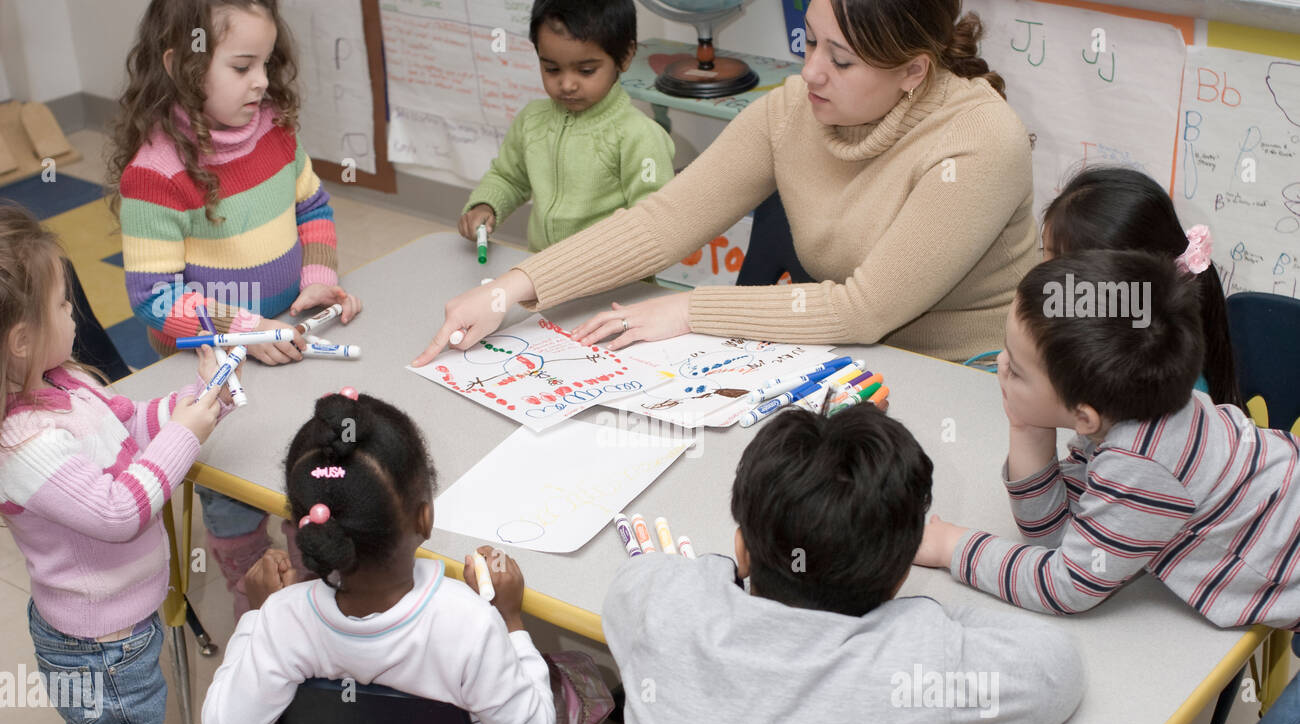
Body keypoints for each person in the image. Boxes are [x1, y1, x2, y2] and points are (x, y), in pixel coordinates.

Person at [414, 0, 1038, 368]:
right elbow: (665, 220)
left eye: (840, 60)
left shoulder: (980, 141)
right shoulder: (795, 108)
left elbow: (862, 308)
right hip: (840, 355)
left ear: (913, 72)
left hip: (966, 373)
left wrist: (688, 310)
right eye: (811, 42)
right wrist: (511, 289)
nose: (810, 71)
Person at [599, 402, 1083, 724]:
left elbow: (634, 584)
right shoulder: (916, 660)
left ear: (743, 549)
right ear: (899, 575)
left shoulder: (668, 608)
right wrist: (917, 622)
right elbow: (1054, 668)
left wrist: (718, 575)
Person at [201, 392, 611, 724]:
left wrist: (255, 617)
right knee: (585, 679)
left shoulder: (282, 619)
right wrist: (511, 620)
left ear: (303, 526)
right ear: (425, 517)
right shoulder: (469, 620)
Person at [106, 0, 364, 617]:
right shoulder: (156, 174)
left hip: (290, 344)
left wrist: (319, 275)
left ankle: (311, 585)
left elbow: (313, 207)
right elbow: (153, 299)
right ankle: (260, 605)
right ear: (182, 65)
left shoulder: (274, 128)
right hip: (212, 372)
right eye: (243, 65)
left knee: (308, 466)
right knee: (236, 495)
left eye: (268, 63)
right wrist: (249, 329)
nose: (263, 82)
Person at [0, 203, 232, 724]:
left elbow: (130, 425)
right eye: (64, 305)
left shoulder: (63, 383)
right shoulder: (23, 444)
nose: (78, 315)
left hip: (114, 636)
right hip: (98, 652)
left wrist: (195, 403)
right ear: (20, 339)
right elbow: (119, 509)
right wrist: (189, 436)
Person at [914, 250, 1300, 631]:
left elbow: (1067, 585)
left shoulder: (1143, 464)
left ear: (1083, 416)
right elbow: (1054, 535)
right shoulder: (1138, 407)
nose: (1000, 364)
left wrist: (954, 548)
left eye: (1015, 368)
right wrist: (1026, 426)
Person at [458, 0, 674, 253]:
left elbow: (653, 219)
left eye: (586, 70)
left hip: (613, 280)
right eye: (552, 69)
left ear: (624, 57)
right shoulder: (532, 120)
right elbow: (508, 178)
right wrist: (486, 206)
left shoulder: (640, 136)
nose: (567, 84)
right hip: (542, 270)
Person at [1042, 166, 1243, 408]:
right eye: (1045, 253)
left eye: (1057, 263)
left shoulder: (1161, 388)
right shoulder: (1105, 348)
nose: (1042, 275)